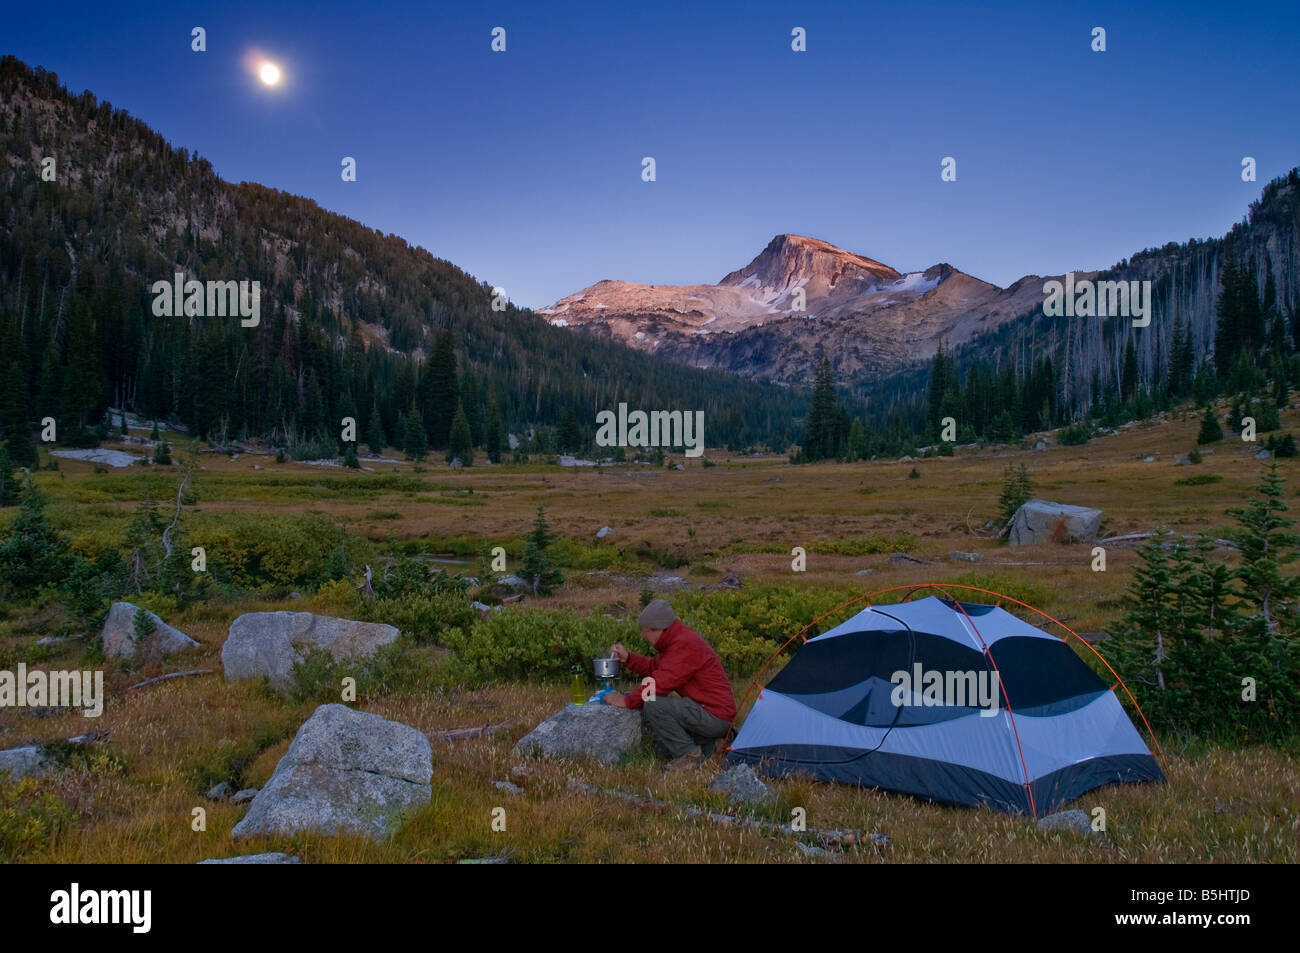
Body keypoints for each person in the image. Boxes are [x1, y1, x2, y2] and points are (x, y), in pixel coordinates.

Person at [603, 598, 736, 771]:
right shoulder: (678, 640)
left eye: (645, 631)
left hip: (715, 716)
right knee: (661, 746)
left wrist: (627, 701)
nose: (643, 635)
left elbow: (659, 683)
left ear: (658, 629)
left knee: (653, 703)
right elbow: (655, 667)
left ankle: (688, 756)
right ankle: (714, 745)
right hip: (714, 714)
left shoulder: (684, 645)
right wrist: (628, 659)